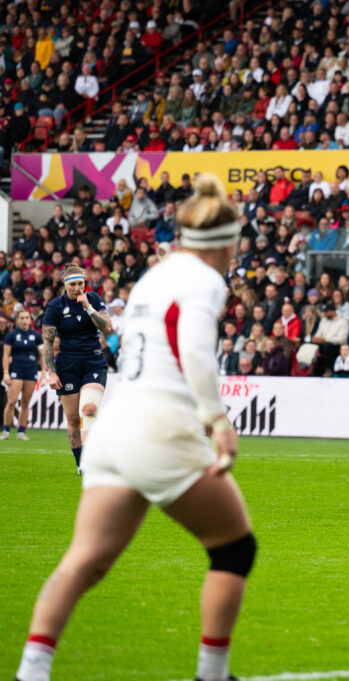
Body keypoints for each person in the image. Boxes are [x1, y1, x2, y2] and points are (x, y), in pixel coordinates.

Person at [13, 174, 256, 681]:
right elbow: (194, 352)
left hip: (116, 428)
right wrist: (217, 419)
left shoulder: (155, 276)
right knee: (235, 548)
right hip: (161, 427)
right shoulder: (205, 279)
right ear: (225, 242)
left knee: (84, 561)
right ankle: (213, 673)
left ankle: (31, 671)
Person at [41, 265, 112, 474]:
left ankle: (90, 460)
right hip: (67, 365)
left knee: (89, 410)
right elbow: (48, 341)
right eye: (73, 284)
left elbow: (106, 327)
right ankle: (80, 462)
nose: (77, 288)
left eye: (81, 283)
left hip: (93, 360)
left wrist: (88, 307)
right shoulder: (55, 306)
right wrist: (51, 372)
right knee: (73, 420)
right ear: (65, 285)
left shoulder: (94, 299)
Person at [3, 309, 44, 441]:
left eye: (26, 318)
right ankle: (6, 431)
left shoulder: (36, 336)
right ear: (17, 320)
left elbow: (43, 355)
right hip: (16, 370)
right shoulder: (11, 335)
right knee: (11, 401)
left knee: (26, 402)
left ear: (30, 320)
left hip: (31, 371)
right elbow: (6, 355)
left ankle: (21, 432)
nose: (24, 320)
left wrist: (44, 373)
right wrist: (6, 373)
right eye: (22, 318)